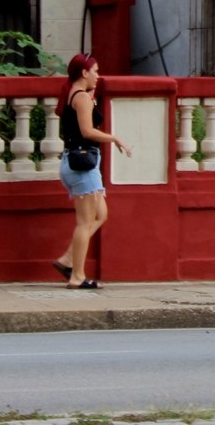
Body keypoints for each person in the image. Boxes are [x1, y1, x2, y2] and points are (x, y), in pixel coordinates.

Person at [52, 53, 131, 289]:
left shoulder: (75, 94)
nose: (98, 75)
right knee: (85, 222)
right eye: (95, 71)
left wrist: (92, 97)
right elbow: (87, 131)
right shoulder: (81, 97)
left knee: (100, 214)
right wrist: (114, 138)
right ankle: (77, 275)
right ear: (84, 73)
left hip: (78, 163)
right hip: (82, 164)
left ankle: (67, 259)